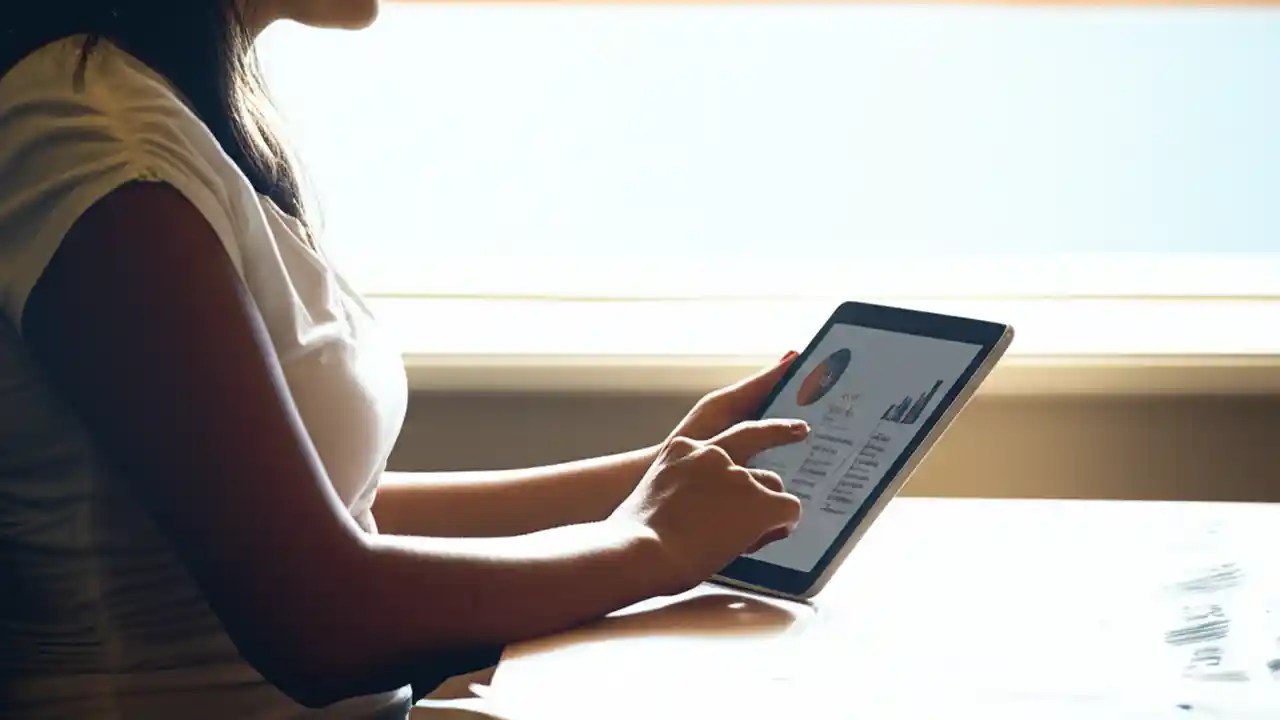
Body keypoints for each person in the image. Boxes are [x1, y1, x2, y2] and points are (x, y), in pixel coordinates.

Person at [0, 1, 808, 716]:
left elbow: (331, 515)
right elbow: (317, 619)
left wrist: (653, 479)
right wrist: (647, 546)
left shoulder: (156, 108)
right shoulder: (97, 148)